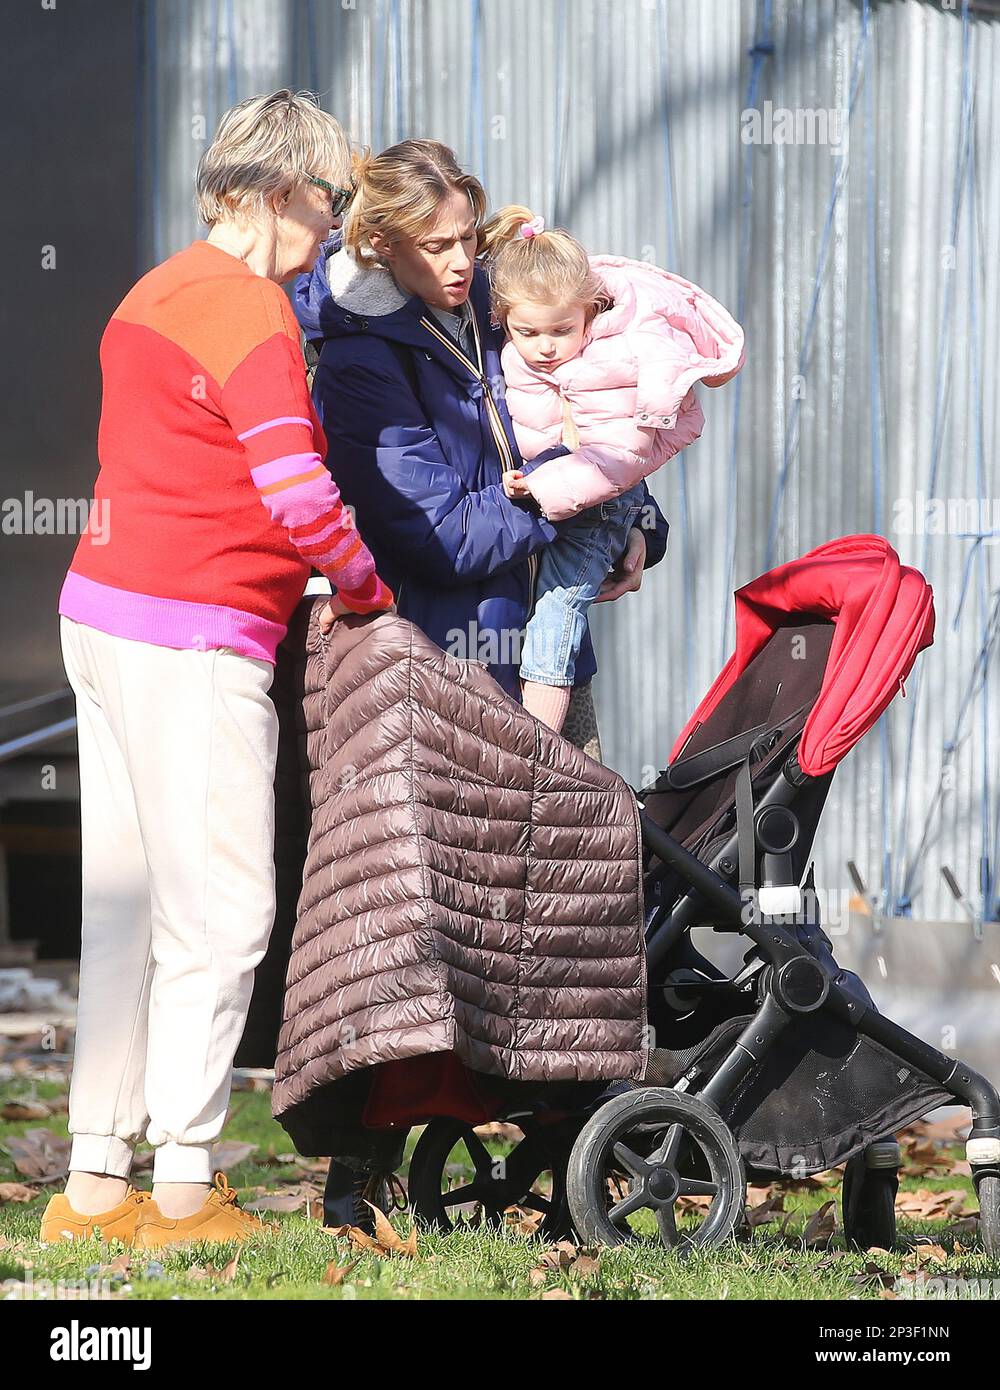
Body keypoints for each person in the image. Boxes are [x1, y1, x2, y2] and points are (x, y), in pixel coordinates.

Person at [292, 138, 671, 1228]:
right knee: (418, 931)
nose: (464, 263)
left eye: (469, 239)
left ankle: (572, 1167)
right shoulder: (362, 364)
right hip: (435, 677)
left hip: (543, 667)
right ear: (381, 244)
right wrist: (569, 508)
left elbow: (611, 431)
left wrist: (632, 518)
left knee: (564, 922)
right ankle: (356, 1180)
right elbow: (443, 533)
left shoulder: (500, 311)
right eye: (438, 246)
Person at [42, 89, 393, 1250]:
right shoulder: (250, 312)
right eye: (327, 204)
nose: (332, 232)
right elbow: (298, 491)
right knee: (227, 911)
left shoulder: (153, 290)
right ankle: (186, 1186)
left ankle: (94, 1184)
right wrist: (362, 585)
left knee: (126, 907)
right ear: (277, 190)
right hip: (190, 636)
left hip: (98, 614)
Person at [482, 205, 745, 732]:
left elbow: (622, 456)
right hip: (556, 498)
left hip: (596, 509)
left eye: (561, 329)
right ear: (503, 318)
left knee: (556, 617)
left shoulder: (615, 356)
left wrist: (543, 487)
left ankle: (539, 751)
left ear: (590, 311)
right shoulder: (513, 355)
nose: (545, 347)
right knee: (544, 616)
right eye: (527, 332)